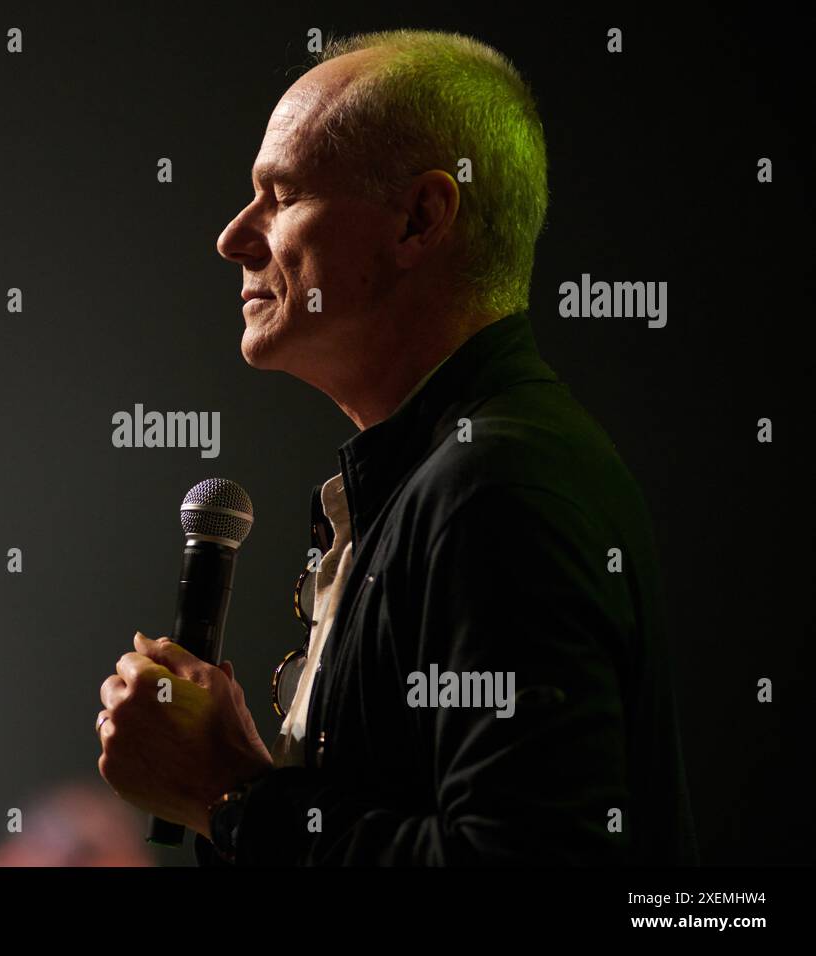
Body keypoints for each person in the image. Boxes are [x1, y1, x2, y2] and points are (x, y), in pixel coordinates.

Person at [95, 29, 697, 865]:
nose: (235, 238)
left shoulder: (498, 487)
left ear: (419, 219)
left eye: (281, 194)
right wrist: (248, 785)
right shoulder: (450, 475)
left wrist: (230, 794)